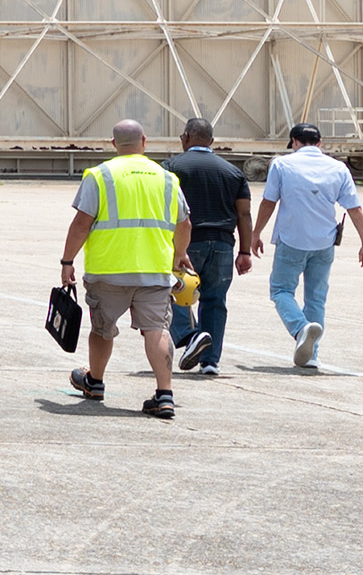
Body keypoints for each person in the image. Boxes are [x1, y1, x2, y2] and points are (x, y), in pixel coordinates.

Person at [60, 119, 194, 418]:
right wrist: (180, 255)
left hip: (109, 269)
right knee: (156, 329)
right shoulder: (167, 179)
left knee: (102, 329)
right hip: (154, 270)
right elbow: (184, 223)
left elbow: (82, 223)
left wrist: (67, 261)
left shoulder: (100, 175)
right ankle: (165, 394)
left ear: (113, 144)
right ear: (144, 141)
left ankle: (95, 382)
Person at [254, 124, 363, 369]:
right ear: (320, 143)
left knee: (280, 291)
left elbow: (269, 202)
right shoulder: (338, 168)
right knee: (316, 299)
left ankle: (300, 329)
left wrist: (256, 233)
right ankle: (312, 356)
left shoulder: (282, 165)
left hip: (292, 240)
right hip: (324, 242)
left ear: (294, 142)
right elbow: (354, 207)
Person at [164, 118, 251, 375]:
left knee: (172, 293)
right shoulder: (233, 172)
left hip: (186, 243)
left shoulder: (171, 167)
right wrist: (245, 251)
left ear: (186, 137)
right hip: (223, 244)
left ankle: (191, 337)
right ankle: (210, 361)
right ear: (212, 141)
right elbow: (244, 214)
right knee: (215, 300)